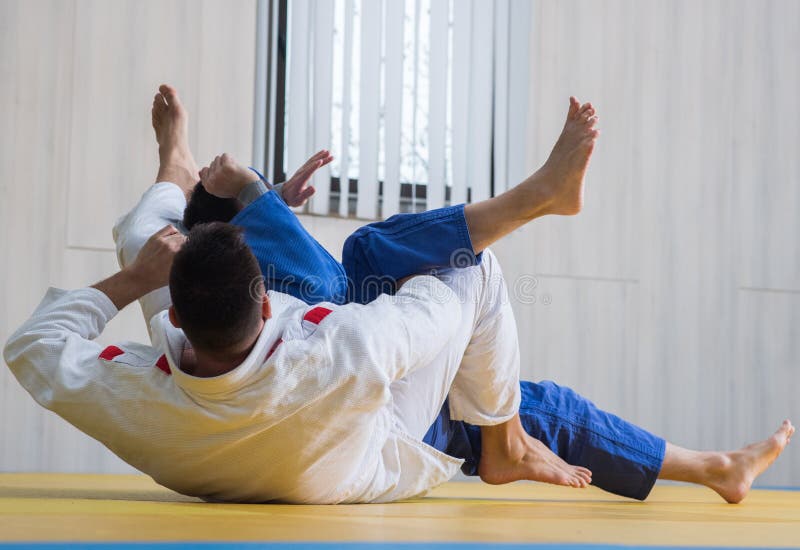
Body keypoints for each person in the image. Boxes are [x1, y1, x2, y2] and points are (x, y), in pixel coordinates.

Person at [4, 86, 793, 505]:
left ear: (172, 315)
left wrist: (143, 273)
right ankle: (534, 205)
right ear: (269, 300)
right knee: (379, 257)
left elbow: (30, 347)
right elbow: (458, 295)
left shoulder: (135, 392)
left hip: (282, 434)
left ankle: (715, 466)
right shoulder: (342, 352)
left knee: (148, 234)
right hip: (370, 438)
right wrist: (260, 200)